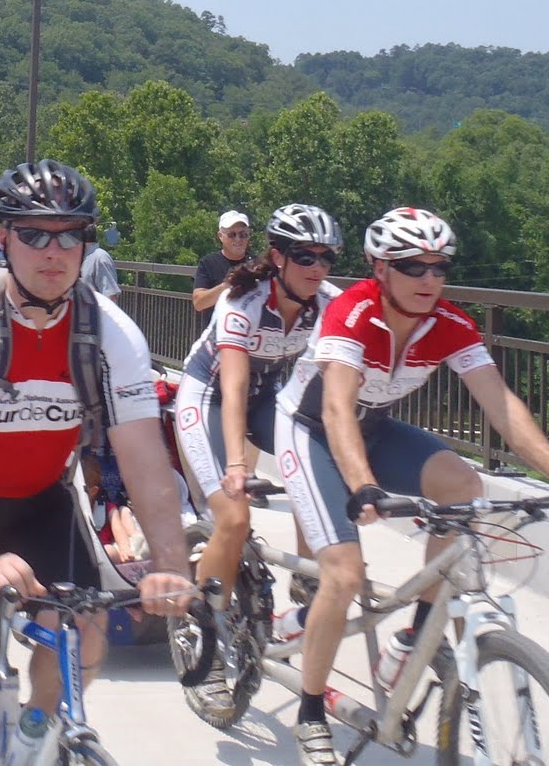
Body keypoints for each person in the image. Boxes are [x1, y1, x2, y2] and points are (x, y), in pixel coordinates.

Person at [270, 207, 549, 766]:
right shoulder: (352, 312)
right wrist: (363, 487)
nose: (430, 278)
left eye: (440, 267)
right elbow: (335, 408)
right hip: (310, 431)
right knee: (344, 573)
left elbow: (500, 404)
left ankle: (414, 637)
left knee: (462, 485)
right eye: (414, 266)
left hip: (373, 427)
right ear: (380, 269)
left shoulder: (451, 323)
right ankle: (311, 711)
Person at [0, 159, 193, 766]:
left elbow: (144, 456)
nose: (53, 250)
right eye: (34, 234)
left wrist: (171, 563)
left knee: (84, 634)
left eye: (70, 235)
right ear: (4, 238)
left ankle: (34, 732)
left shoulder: (111, 333)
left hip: (40, 496)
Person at [174, 203, 342, 722]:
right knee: (233, 517)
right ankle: (203, 634)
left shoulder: (327, 303)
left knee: (317, 464)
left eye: (327, 258)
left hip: (268, 395)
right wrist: (236, 467)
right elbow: (233, 386)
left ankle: (307, 579)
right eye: (305, 256)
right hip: (210, 395)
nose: (318, 267)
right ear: (278, 256)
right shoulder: (244, 299)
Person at [192, 209, 252, 331]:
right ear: (220, 236)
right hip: (217, 336)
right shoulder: (208, 263)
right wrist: (227, 286)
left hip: (250, 335)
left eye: (243, 234)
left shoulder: (256, 264)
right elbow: (198, 303)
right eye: (232, 235)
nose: (238, 239)